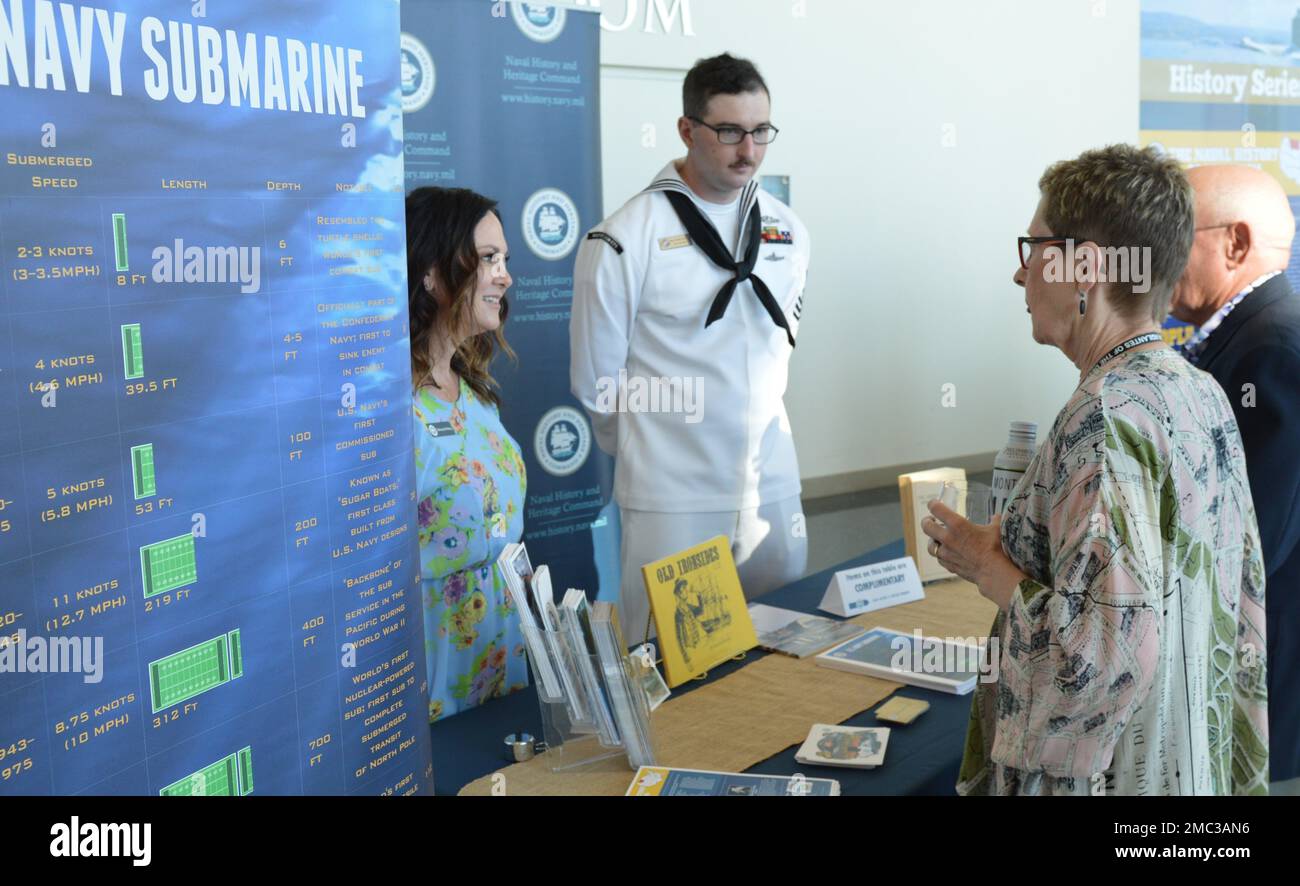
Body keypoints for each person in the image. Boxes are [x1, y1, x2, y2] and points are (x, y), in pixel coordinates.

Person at [922, 145, 1269, 795]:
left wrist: (988, 568)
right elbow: (1241, 610)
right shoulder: (1199, 392)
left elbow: (1103, 653)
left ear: (1085, 265)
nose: (1021, 276)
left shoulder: (1105, 417)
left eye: (1034, 250)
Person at [570, 53, 811, 642]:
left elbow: (778, 356)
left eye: (760, 132)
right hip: (671, 492)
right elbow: (597, 385)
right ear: (687, 130)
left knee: (778, 645)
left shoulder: (788, 231)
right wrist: (653, 449)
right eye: (729, 132)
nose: (748, 151)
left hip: (770, 481)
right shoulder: (625, 239)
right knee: (667, 658)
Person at [1170, 164, 1300, 793]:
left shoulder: (1269, 351)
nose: (1153, 254)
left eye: (1173, 232)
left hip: (1265, 704)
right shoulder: (1250, 340)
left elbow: (1248, 550)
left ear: (1237, 244)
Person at [406, 186, 529, 723]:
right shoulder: (388, 407)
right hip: (431, 677)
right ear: (432, 273)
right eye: (487, 259)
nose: (504, 275)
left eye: (504, 260)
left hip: (502, 657)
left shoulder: (474, 392)